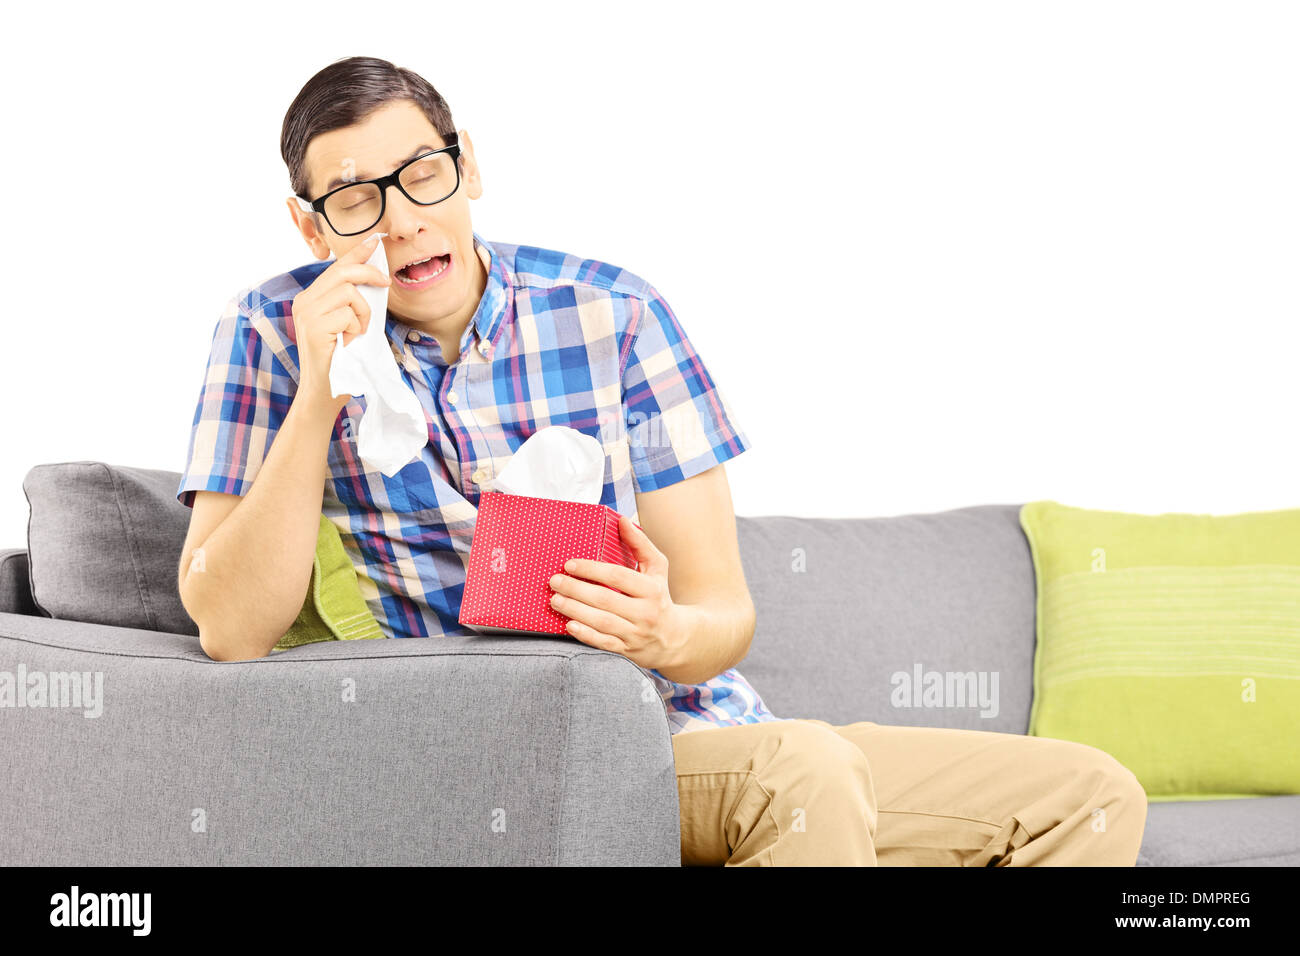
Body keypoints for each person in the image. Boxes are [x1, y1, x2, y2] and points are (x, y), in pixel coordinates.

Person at [175, 55, 1147, 866]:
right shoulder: (268, 331)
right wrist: (318, 395)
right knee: (806, 771)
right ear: (310, 226)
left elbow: (723, 614)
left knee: (1089, 792)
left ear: (467, 167)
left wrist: (663, 627)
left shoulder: (616, 314)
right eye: (353, 198)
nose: (398, 218)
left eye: (421, 174)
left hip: (696, 725)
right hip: (524, 747)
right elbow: (231, 627)